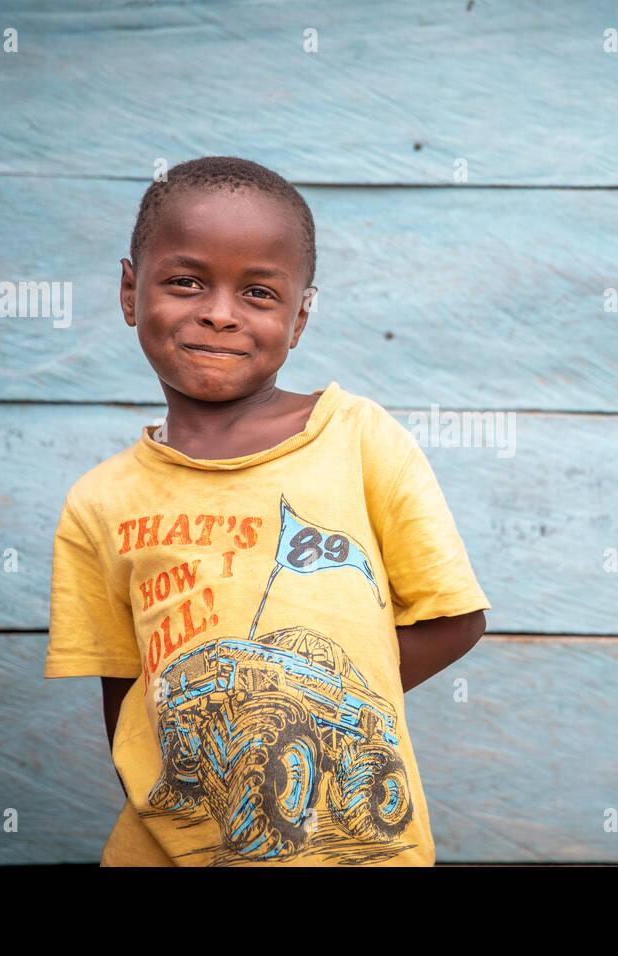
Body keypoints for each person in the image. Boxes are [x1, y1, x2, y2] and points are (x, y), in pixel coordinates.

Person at [43, 156, 490, 866]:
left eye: (257, 292)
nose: (219, 312)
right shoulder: (99, 500)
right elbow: (127, 693)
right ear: (131, 292)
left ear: (299, 317)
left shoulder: (359, 439)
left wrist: (318, 697)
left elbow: (456, 618)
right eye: (186, 282)